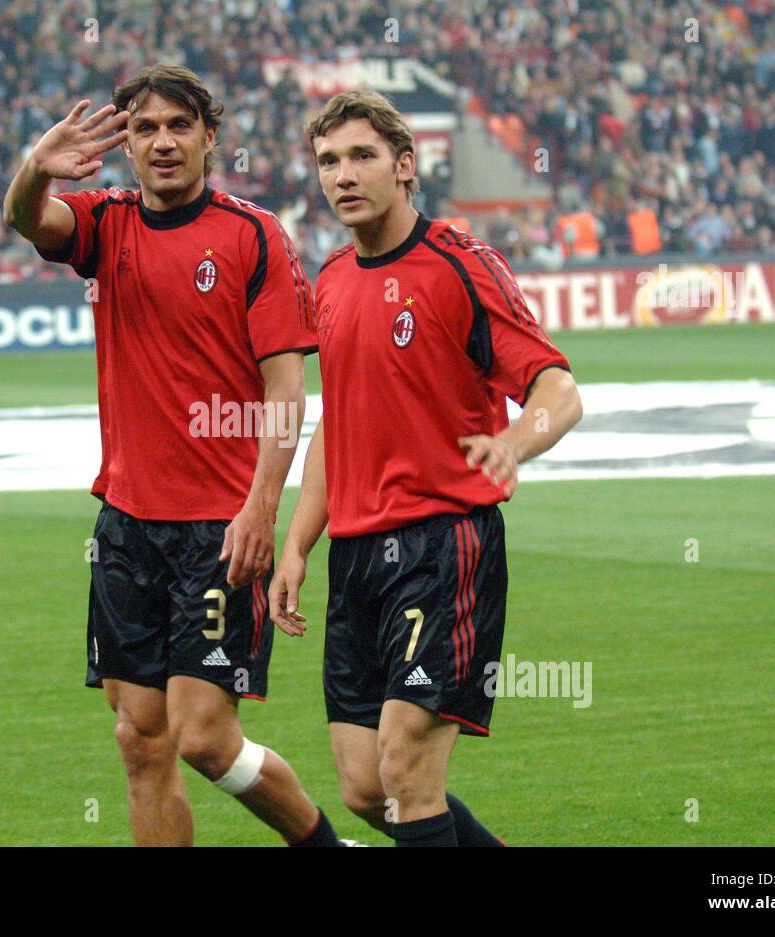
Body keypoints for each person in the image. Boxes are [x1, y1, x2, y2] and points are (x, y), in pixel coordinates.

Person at [4, 64, 345, 846]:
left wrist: (263, 505)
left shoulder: (252, 235)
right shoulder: (106, 224)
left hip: (216, 531)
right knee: (138, 740)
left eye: (179, 126)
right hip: (126, 526)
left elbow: (285, 388)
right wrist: (34, 167)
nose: (163, 142)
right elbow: (28, 219)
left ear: (209, 137)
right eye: (146, 128)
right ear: (126, 142)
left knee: (202, 736)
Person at [271, 90, 583, 846]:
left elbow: (559, 391)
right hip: (356, 558)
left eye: (362, 156)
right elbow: (335, 429)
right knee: (366, 788)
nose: (343, 175)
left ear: (405, 165)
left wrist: (512, 442)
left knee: (408, 769)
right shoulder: (334, 281)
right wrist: (296, 544)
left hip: (443, 547)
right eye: (328, 161)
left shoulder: (462, 265)